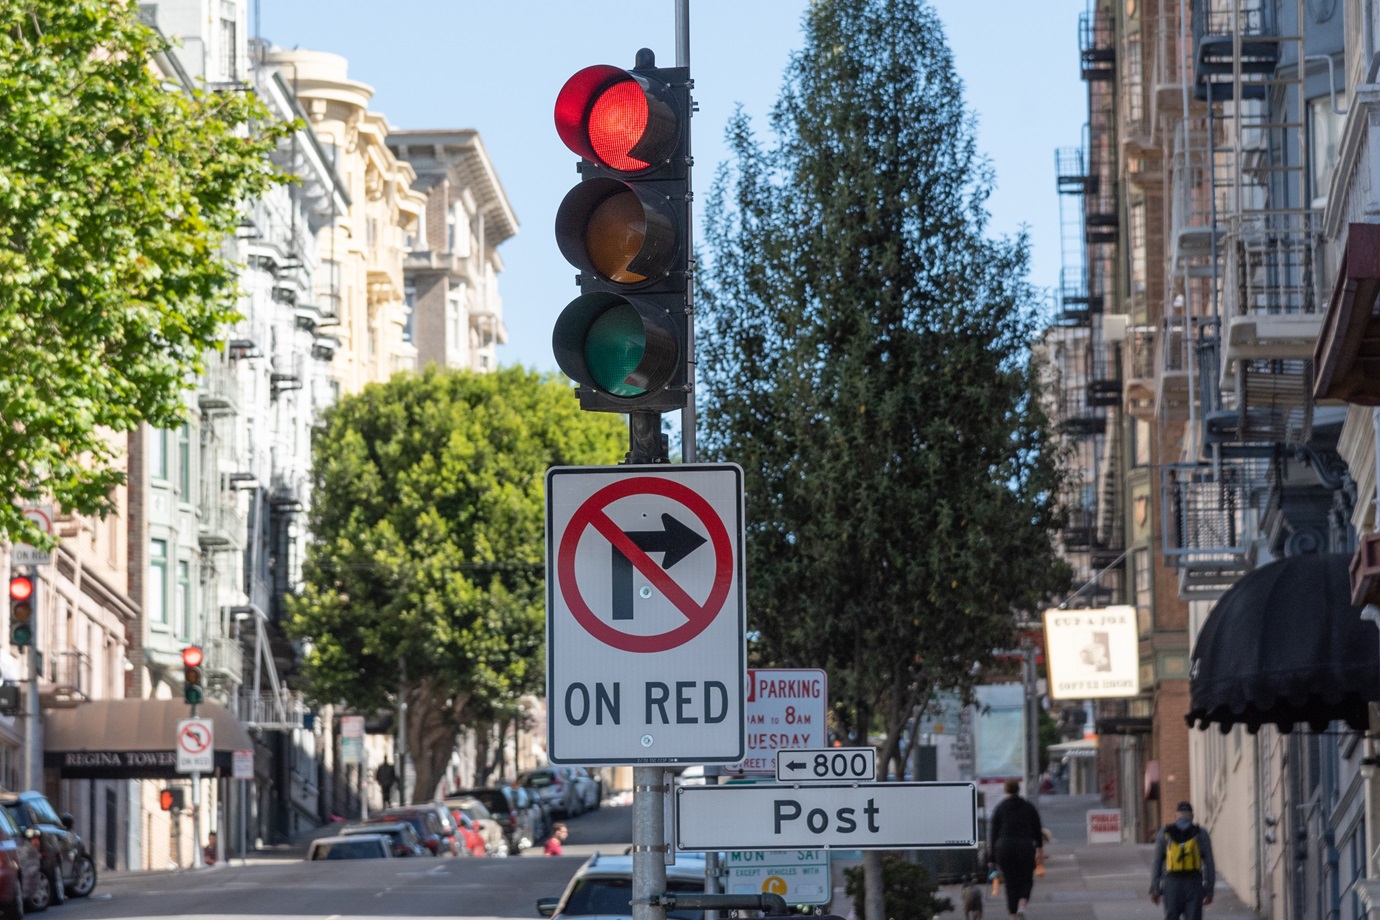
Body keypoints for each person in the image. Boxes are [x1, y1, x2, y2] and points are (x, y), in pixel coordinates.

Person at [988, 778, 1044, 920]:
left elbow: (993, 834)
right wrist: (1039, 848)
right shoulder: (1028, 807)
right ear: (1018, 790)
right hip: (1025, 846)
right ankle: (1022, 905)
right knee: (1026, 879)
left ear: (1006, 790)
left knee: (1010, 882)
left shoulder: (1000, 808)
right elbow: (1037, 829)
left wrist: (992, 858)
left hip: (1004, 848)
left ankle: (1013, 916)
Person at [1150, 801, 1215, 920]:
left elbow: (1157, 863)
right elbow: (1209, 864)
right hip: (1194, 884)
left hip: (1171, 885)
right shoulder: (1201, 833)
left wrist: (1156, 889)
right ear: (1192, 816)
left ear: (1176, 815)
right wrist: (1209, 891)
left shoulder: (1165, 833)